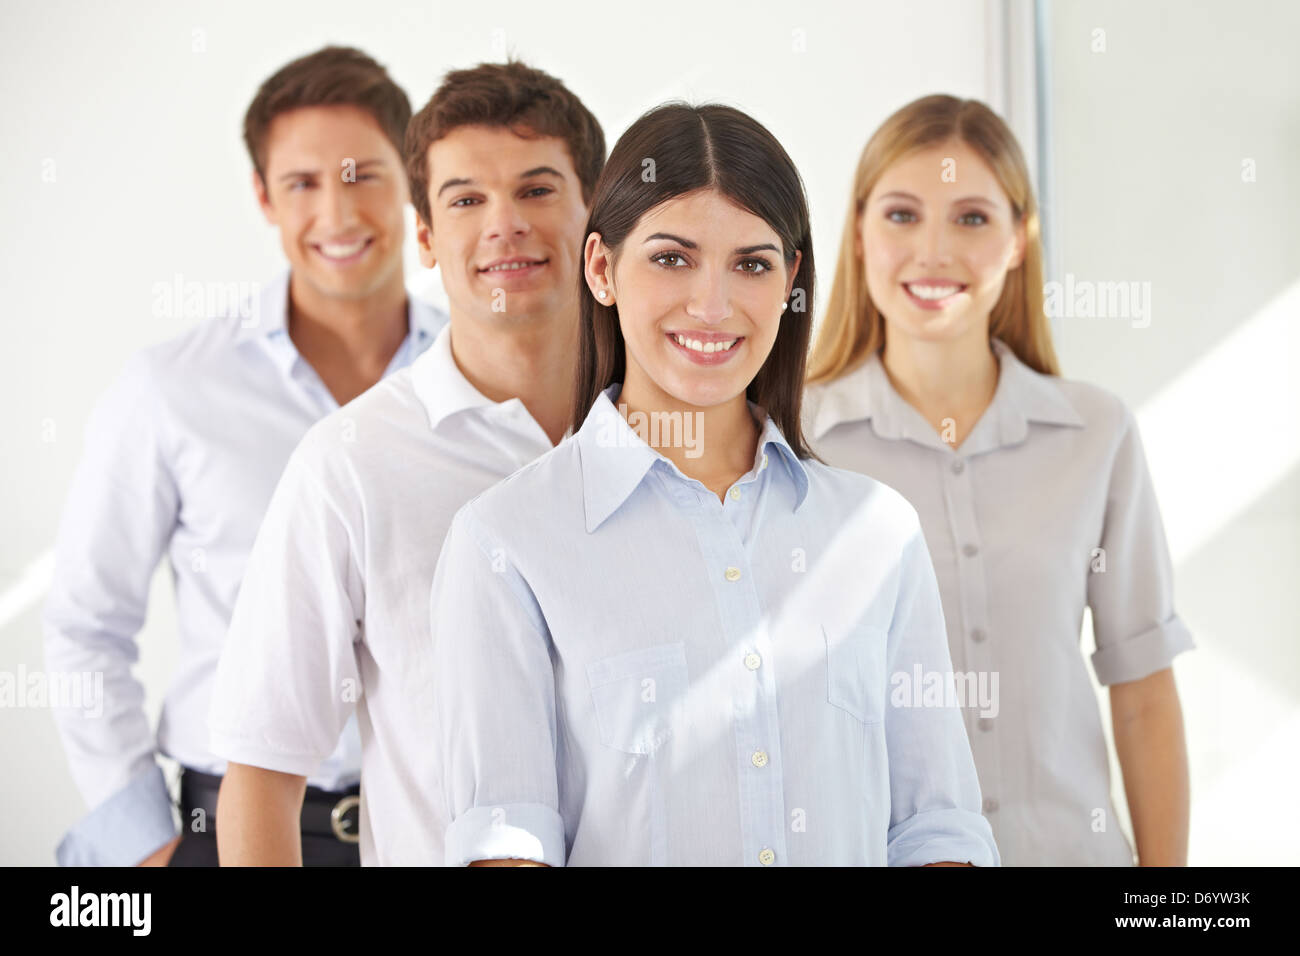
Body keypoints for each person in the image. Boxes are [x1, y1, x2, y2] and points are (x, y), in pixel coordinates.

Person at [428, 101, 999, 867]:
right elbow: (508, 839)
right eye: (672, 259)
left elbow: (936, 827)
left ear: (791, 281)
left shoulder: (878, 533)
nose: (712, 305)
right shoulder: (507, 541)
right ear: (601, 269)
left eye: (752, 265)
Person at [42, 46, 446, 867]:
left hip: (438, 833)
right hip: (227, 835)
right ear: (263, 196)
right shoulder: (172, 388)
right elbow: (85, 624)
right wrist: (145, 845)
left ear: (411, 182)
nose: (337, 213)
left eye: (363, 175)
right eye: (302, 183)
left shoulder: (475, 380)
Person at [207, 60, 604, 866]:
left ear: (595, 214)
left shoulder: (677, 430)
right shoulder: (349, 466)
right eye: (465, 200)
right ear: (425, 235)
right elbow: (262, 772)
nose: (504, 225)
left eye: (536, 190)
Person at [802, 94, 1193, 866]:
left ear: (1019, 240)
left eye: (972, 218)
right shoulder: (796, 442)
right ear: (859, 232)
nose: (933, 251)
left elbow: (1144, 693)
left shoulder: (1097, 434)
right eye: (902, 215)